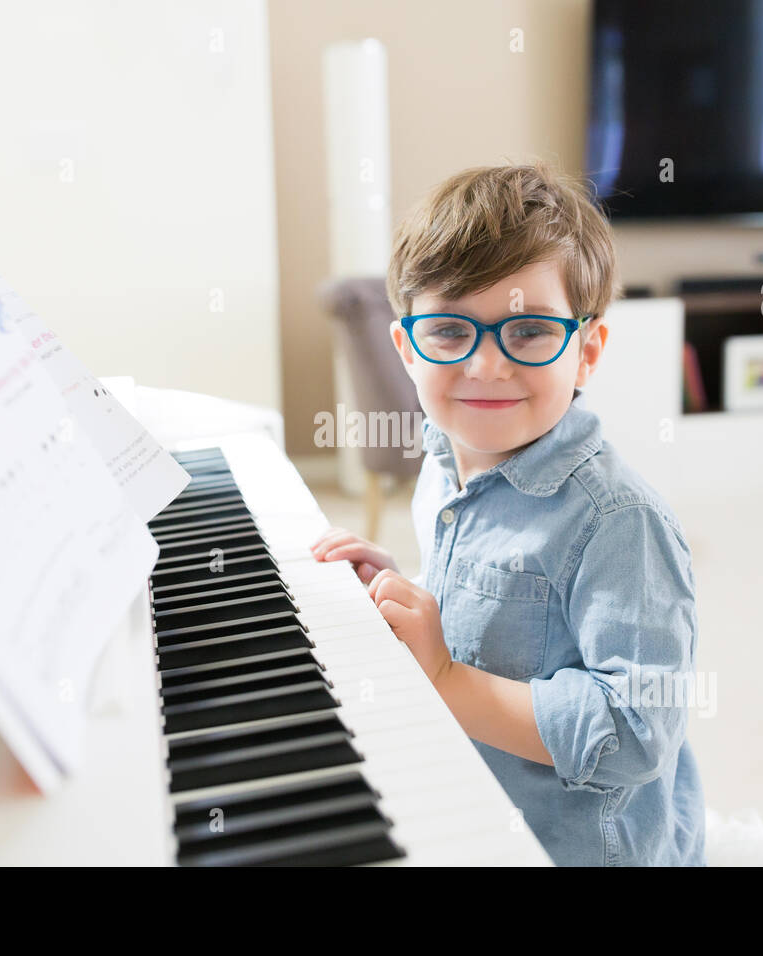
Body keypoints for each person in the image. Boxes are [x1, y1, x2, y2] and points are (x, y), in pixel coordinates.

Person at [311, 160, 706, 866]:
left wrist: (448, 681)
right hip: (481, 812)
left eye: (526, 333)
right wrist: (407, 600)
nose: (486, 366)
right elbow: (494, 617)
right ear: (406, 347)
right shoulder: (444, 467)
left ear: (586, 352)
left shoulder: (619, 521)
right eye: (449, 332)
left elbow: (639, 730)